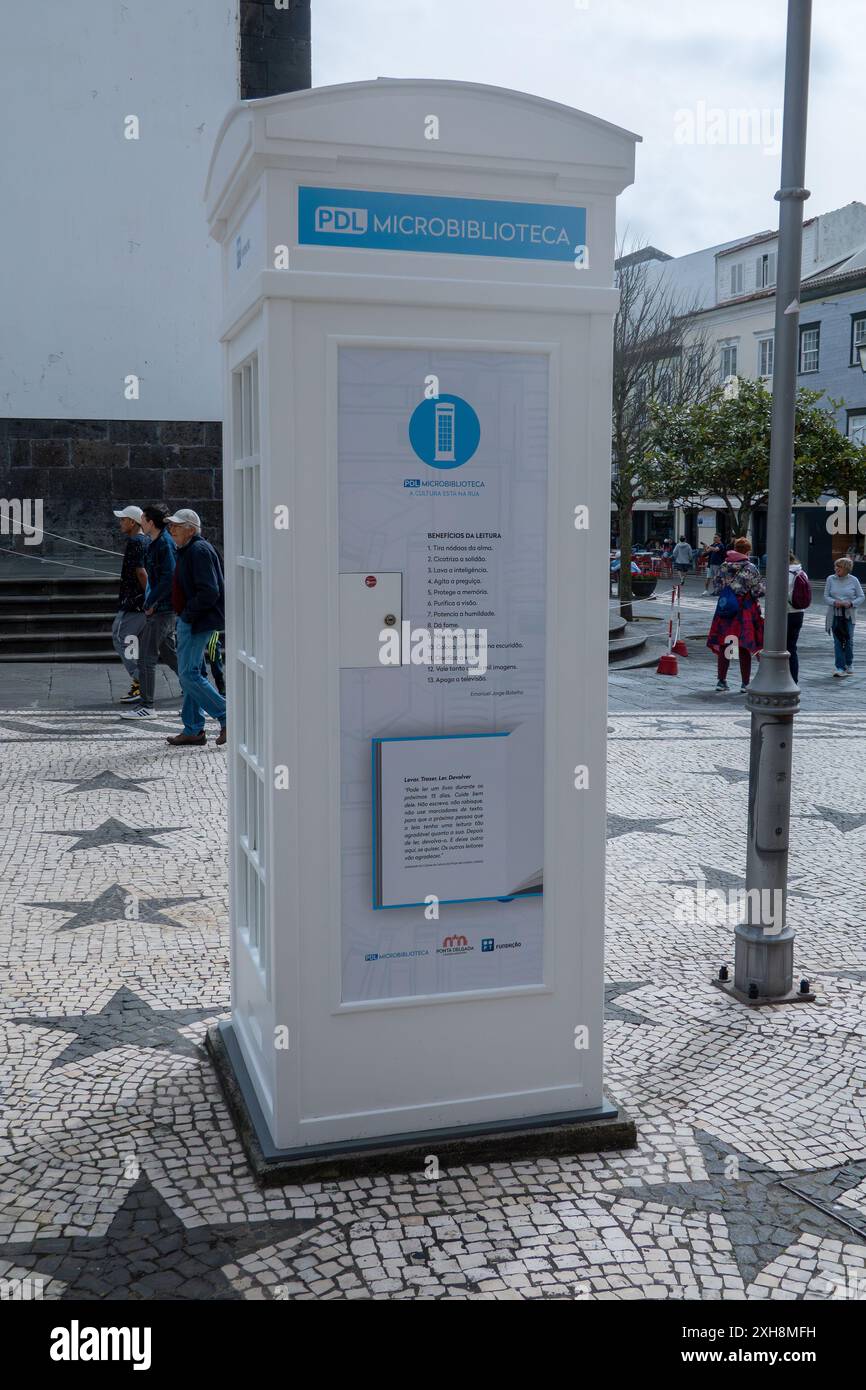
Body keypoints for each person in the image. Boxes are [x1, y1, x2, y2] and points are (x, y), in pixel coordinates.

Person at [165, 508, 226, 746]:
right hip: (193, 619)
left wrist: (188, 615)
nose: (172, 530)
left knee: (188, 675)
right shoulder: (189, 549)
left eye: (177, 527)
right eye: (171, 526)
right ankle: (193, 728)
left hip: (196, 621)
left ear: (191, 529)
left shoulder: (198, 550)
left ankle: (228, 715)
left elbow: (210, 590)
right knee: (194, 673)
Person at [120, 503, 178, 721]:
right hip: (161, 606)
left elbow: (169, 577)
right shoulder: (155, 542)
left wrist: (151, 601)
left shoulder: (163, 544)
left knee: (146, 657)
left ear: (150, 522)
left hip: (163, 608)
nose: (140, 521)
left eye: (143, 518)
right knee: (168, 652)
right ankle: (192, 686)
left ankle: (147, 705)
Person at [707, 537, 765, 693]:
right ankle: (745, 683)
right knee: (744, 645)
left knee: (726, 643)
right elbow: (758, 590)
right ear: (748, 551)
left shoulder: (724, 565)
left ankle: (721, 680)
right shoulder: (751, 567)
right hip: (744, 609)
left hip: (726, 609)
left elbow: (717, 587)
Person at [111, 505, 149, 703]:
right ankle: (140, 684)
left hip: (134, 602)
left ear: (132, 522)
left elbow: (141, 571)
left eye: (123, 519)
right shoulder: (145, 540)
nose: (121, 523)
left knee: (119, 636)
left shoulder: (135, 541)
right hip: (141, 602)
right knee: (146, 646)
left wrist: (148, 596)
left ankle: (140, 680)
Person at [824, 555, 865, 677]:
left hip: (849, 615)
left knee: (848, 640)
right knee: (837, 641)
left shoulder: (854, 580)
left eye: (839, 567)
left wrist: (851, 603)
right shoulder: (830, 579)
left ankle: (849, 664)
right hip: (835, 614)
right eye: (835, 567)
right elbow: (826, 596)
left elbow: (861, 596)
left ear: (846, 569)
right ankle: (840, 667)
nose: (836, 569)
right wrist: (834, 602)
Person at [786, 551, 810, 683]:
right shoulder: (801, 572)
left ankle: (783, 677)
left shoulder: (783, 573)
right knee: (792, 647)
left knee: (778, 647)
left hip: (785, 613)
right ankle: (793, 679)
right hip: (798, 612)